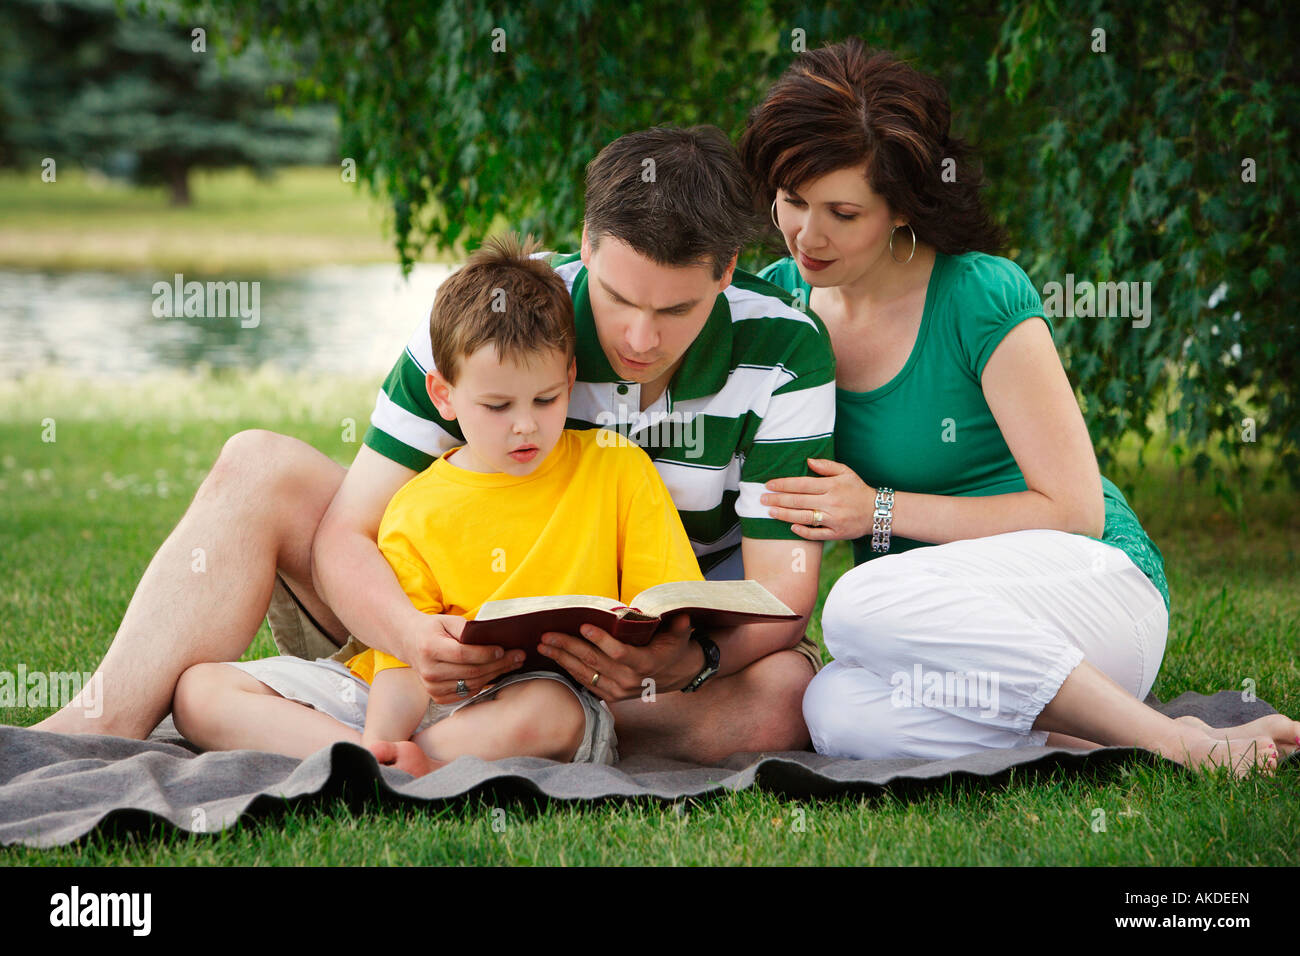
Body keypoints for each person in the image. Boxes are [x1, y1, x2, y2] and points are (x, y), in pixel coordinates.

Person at [37, 125, 836, 766]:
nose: (637, 336)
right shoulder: (496, 322)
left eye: (676, 312)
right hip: (428, 624)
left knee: (781, 699)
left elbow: (781, 598)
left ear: (727, 270)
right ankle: (91, 725)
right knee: (258, 463)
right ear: (587, 245)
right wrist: (413, 637)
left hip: (632, 669)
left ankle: (430, 744)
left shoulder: (784, 352)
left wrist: (679, 667)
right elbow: (349, 533)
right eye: (621, 298)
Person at [738, 38, 1297, 774]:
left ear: (902, 206)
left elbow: (1074, 511)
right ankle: (1096, 732)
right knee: (835, 710)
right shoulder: (779, 304)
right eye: (792, 202)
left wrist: (877, 510)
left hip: (1090, 595)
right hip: (938, 633)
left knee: (852, 605)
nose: (808, 234)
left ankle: (1180, 743)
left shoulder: (979, 295)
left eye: (842, 212)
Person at [171, 235, 705, 774]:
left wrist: (660, 644)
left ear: (570, 378)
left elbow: (665, 607)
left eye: (546, 400)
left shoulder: (617, 467)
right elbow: (401, 661)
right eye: (497, 405)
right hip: (408, 698)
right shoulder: (415, 505)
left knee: (552, 713)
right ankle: (372, 759)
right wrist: (384, 732)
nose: (525, 424)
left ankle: (395, 766)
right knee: (199, 692)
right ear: (444, 396)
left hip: (532, 698)